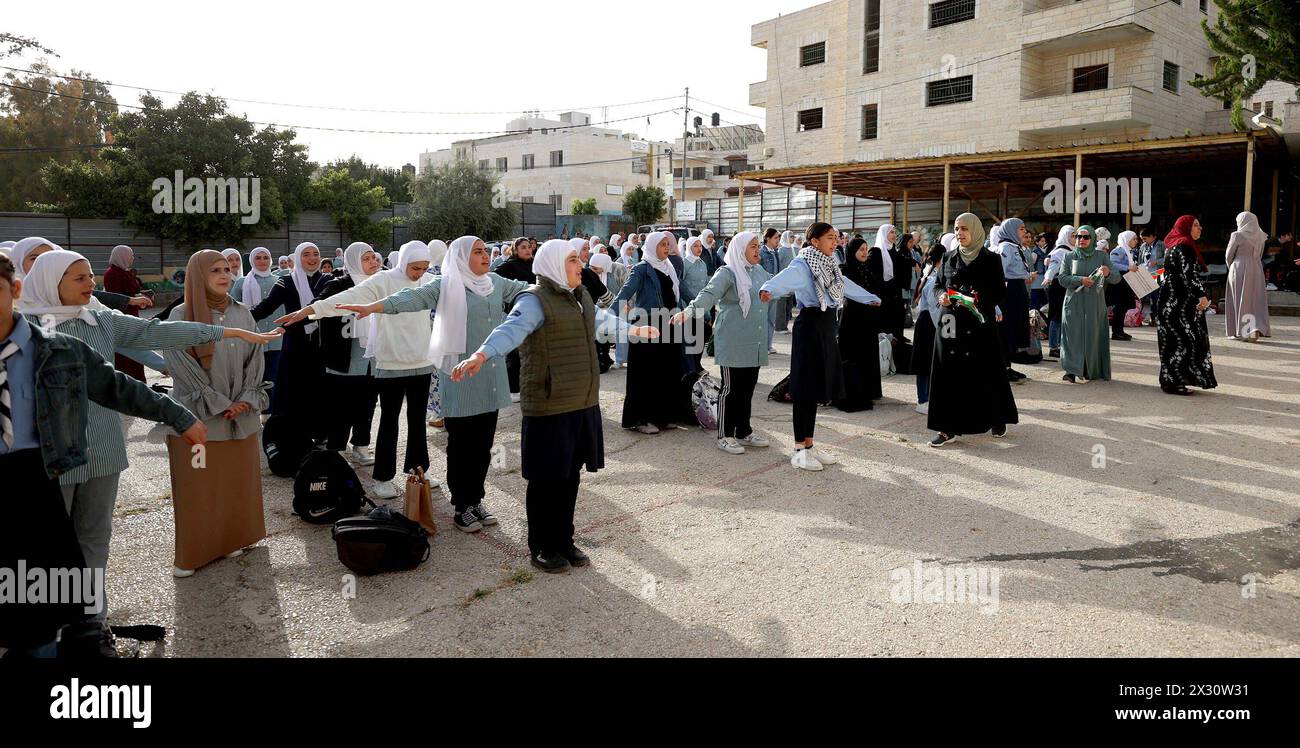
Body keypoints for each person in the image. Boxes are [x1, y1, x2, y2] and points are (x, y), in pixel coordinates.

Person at [17, 249, 277, 641]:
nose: (92, 284)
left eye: (92, 275)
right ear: (50, 282)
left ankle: (91, 621)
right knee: (48, 543)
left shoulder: (100, 317)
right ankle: (45, 629)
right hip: (50, 453)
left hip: (101, 446)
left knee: (94, 536)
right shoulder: (26, 329)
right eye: (80, 278)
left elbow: (154, 333)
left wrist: (226, 331)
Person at [0, 254, 206, 657]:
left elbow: (118, 385)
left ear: (16, 291)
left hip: (40, 475)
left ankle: (80, 634)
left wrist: (179, 416)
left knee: (56, 567)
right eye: (78, 277)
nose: (88, 283)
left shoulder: (60, 349)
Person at [449, 239, 656, 572]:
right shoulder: (534, 300)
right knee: (547, 480)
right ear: (555, 265)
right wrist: (482, 354)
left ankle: (564, 540)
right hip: (549, 404)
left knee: (570, 477)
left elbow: (602, 322)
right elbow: (510, 330)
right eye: (573, 260)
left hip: (581, 401)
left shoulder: (580, 296)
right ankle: (542, 546)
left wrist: (633, 330)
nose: (580, 265)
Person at [336, 236, 535, 532]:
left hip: (490, 375)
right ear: (461, 257)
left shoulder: (494, 281)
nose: (484, 256)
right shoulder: (445, 285)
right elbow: (410, 298)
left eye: (484, 251)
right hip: (459, 375)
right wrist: (376, 307)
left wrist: (557, 284)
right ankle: (462, 505)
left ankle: (477, 498)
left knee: (483, 444)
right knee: (462, 445)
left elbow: (526, 290)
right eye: (477, 252)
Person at [278, 241, 438, 499]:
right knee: (389, 422)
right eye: (415, 267)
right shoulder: (383, 280)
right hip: (390, 364)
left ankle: (418, 470)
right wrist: (311, 310)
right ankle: (383, 478)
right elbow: (346, 298)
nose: (419, 273)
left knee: (417, 421)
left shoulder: (430, 281)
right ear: (404, 262)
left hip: (421, 362)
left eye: (424, 268)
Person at [162, 250, 269, 578]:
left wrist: (246, 398)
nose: (225, 275)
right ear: (197, 276)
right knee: (198, 487)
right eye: (215, 271)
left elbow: (256, 357)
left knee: (235, 483)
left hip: (241, 415)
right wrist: (220, 403)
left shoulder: (242, 313)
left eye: (227, 269)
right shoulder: (181, 316)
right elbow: (180, 366)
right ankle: (194, 554)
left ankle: (229, 541)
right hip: (199, 418)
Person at [760, 223, 880, 471]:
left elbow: (844, 284)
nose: (834, 242)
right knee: (804, 388)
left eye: (836, 238)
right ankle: (798, 449)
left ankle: (810, 445)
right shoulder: (804, 263)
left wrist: (869, 298)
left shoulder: (830, 264)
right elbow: (785, 278)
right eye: (829, 238)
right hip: (810, 327)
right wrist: (768, 289)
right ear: (814, 241)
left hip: (826, 326)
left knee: (815, 388)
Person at [672, 232, 772, 455]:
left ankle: (743, 431)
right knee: (731, 390)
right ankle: (725, 435)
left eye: (758, 246)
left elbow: (775, 285)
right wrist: (689, 311)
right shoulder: (727, 272)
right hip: (733, 340)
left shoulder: (759, 271)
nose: (758, 250)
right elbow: (709, 294)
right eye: (753, 246)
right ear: (740, 249)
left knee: (747, 388)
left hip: (753, 340)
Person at [926, 214, 1019, 448]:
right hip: (950, 324)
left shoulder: (991, 259)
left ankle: (996, 417)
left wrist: (976, 299)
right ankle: (947, 428)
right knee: (947, 373)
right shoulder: (948, 257)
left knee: (986, 372)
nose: (959, 233)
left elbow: (999, 292)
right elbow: (938, 284)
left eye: (965, 229)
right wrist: (941, 297)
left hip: (979, 323)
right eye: (957, 229)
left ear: (976, 231)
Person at [250, 242, 333, 443]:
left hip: (324, 346)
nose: (312, 258)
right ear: (297, 258)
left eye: (316, 254)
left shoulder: (329, 281)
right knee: (294, 390)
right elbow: (265, 307)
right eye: (306, 254)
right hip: (296, 346)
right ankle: (295, 436)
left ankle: (321, 433)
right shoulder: (286, 282)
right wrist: (236, 319)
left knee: (321, 390)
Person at [613, 231, 694, 433]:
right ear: (651, 247)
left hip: (669, 325)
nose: (667, 248)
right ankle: (642, 420)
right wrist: (606, 319)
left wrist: (701, 307)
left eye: (668, 244)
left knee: (666, 372)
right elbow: (625, 293)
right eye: (662, 244)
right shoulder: (642, 269)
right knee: (646, 374)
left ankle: (664, 417)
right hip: (647, 325)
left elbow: (682, 291)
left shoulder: (669, 268)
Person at [315, 242, 382, 466]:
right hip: (343, 354)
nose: (373, 262)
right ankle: (336, 447)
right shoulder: (338, 285)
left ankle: (361, 445)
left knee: (368, 403)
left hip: (372, 355)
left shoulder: (380, 283)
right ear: (353, 261)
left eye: (374, 257)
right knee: (340, 405)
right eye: (366, 259)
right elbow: (318, 306)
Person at [1156, 216, 1218, 395]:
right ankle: (1175, 383)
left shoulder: (1172, 245)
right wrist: (1202, 296)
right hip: (1180, 302)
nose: (1200, 228)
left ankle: (1170, 381)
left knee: (1173, 341)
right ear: (1186, 228)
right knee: (1184, 341)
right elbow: (1189, 274)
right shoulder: (1184, 245)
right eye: (1195, 225)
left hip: (1170, 299)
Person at [1058, 226, 1119, 383]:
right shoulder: (1069, 256)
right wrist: (1080, 280)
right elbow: (1062, 278)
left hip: (1094, 303)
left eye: (1086, 237)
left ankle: (1090, 369)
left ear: (1093, 239)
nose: (1081, 240)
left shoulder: (1101, 256)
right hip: (1073, 302)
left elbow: (1116, 278)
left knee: (1093, 335)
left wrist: (1108, 273)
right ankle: (1071, 371)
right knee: (1072, 336)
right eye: (1078, 236)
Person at [836, 236, 883, 411]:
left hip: (868, 318)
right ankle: (852, 389)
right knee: (852, 354)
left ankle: (869, 389)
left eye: (866, 249)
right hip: (852, 318)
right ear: (852, 251)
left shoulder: (867, 268)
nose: (864, 253)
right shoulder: (845, 269)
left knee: (868, 352)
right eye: (861, 250)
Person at [239, 248, 285, 415]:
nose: (262, 261)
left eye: (266, 257)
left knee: (274, 376)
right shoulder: (242, 282)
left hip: (277, 337)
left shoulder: (281, 280)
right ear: (252, 261)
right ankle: (257, 410)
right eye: (258, 258)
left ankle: (272, 412)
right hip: (251, 337)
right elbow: (234, 308)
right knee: (255, 376)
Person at [494, 235, 536, 400]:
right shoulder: (509, 265)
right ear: (515, 250)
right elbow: (494, 279)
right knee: (514, 352)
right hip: (517, 313)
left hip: (536, 312)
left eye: (528, 246)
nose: (527, 249)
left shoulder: (534, 265)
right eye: (523, 247)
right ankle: (513, 389)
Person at [102, 245, 149, 381]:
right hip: (121, 317)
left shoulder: (126, 272)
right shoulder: (112, 274)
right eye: (130, 255)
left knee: (136, 353)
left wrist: (141, 298)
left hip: (133, 314)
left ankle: (139, 384)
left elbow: (130, 292)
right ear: (122, 256)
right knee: (126, 356)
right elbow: (114, 297)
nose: (133, 258)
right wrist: (133, 300)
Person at [993, 218, 1032, 381]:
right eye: (1021, 229)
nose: (1024, 231)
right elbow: (998, 273)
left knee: (1015, 329)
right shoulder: (1005, 248)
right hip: (1010, 293)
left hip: (1018, 290)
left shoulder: (1015, 247)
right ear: (1011, 230)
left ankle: (1008, 366)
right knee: (1007, 330)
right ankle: (1004, 368)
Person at [910, 243, 946, 415]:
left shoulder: (929, 275)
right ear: (941, 259)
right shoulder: (932, 279)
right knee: (925, 364)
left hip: (928, 322)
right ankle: (922, 400)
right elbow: (934, 307)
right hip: (930, 323)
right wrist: (943, 327)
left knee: (929, 364)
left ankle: (927, 397)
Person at [1224, 211, 1270, 341]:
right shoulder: (1261, 236)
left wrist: (1231, 267)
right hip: (1256, 267)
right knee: (1255, 299)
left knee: (1238, 298)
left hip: (1239, 266)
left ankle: (1239, 331)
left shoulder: (1237, 235)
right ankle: (1253, 328)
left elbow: (1229, 255)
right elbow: (1260, 254)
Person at [1042, 225, 1075, 359]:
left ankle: (1061, 345)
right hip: (1058, 286)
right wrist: (1048, 277)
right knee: (1056, 316)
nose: (1076, 238)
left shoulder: (1072, 250)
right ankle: (1053, 347)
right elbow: (1053, 266)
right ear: (1065, 236)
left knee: (1064, 316)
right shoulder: (1060, 251)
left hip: (1067, 285)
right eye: (1073, 236)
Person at [1105, 231, 1137, 342]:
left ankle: (1119, 331)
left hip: (1125, 282)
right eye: (1134, 239)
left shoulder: (1128, 251)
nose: (1136, 241)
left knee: (1123, 308)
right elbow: (1112, 264)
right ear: (1127, 239)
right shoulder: (1118, 250)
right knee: (1120, 308)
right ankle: (1116, 332)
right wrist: (1128, 267)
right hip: (1119, 283)